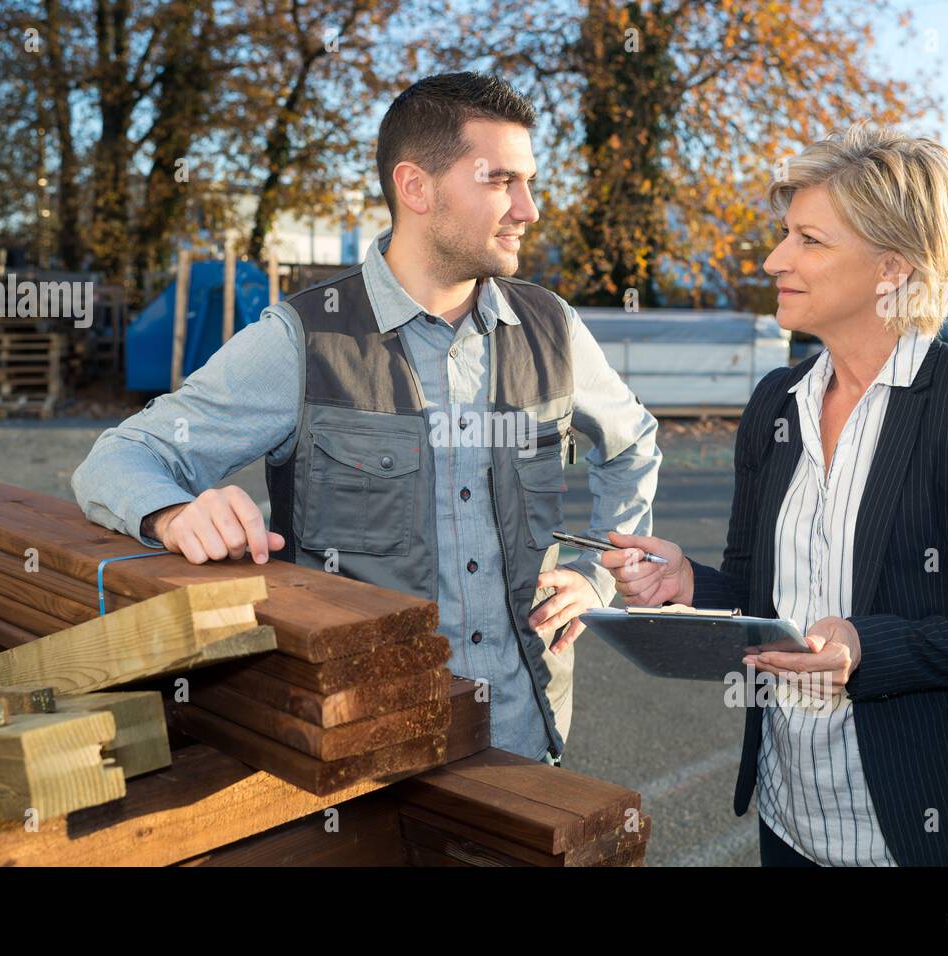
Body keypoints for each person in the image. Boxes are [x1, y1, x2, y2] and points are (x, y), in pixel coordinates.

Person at [71, 72, 661, 765]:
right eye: (501, 181)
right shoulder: (304, 339)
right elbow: (118, 458)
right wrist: (174, 515)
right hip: (363, 757)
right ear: (416, 188)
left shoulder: (553, 327)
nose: (527, 209)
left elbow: (633, 444)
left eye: (528, 181)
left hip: (529, 739)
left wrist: (596, 572)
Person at [602, 124, 948, 866]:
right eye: (784, 235)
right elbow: (755, 593)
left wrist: (871, 647)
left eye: (809, 240)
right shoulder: (774, 403)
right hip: (793, 817)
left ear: (891, 268)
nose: (775, 260)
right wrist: (686, 582)